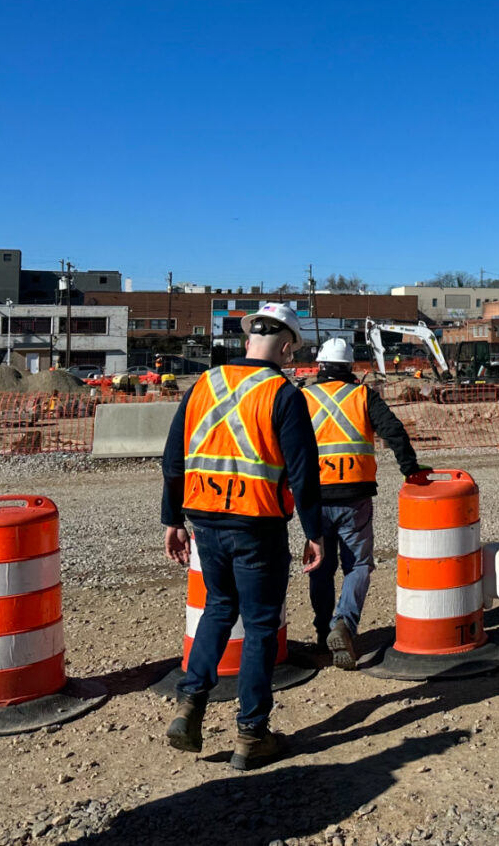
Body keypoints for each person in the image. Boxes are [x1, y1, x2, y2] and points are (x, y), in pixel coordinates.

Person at [160, 301, 324, 771]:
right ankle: (251, 734)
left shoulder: (202, 385)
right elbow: (303, 475)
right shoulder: (284, 394)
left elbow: (174, 460)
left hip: (205, 520)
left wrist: (173, 519)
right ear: (288, 346)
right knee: (258, 627)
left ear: (248, 336)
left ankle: (190, 706)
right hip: (258, 527)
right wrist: (315, 532)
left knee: (217, 608)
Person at [303, 337, 427, 669]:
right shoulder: (362, 395)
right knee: (358, 565)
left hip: (314, 496)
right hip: (354, 495)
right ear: (350, 368)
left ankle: (321, 633)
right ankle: (344, 623)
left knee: (321, 566)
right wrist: (410, 469)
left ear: (319, 367)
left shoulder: (303, 397)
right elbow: (393, 430)